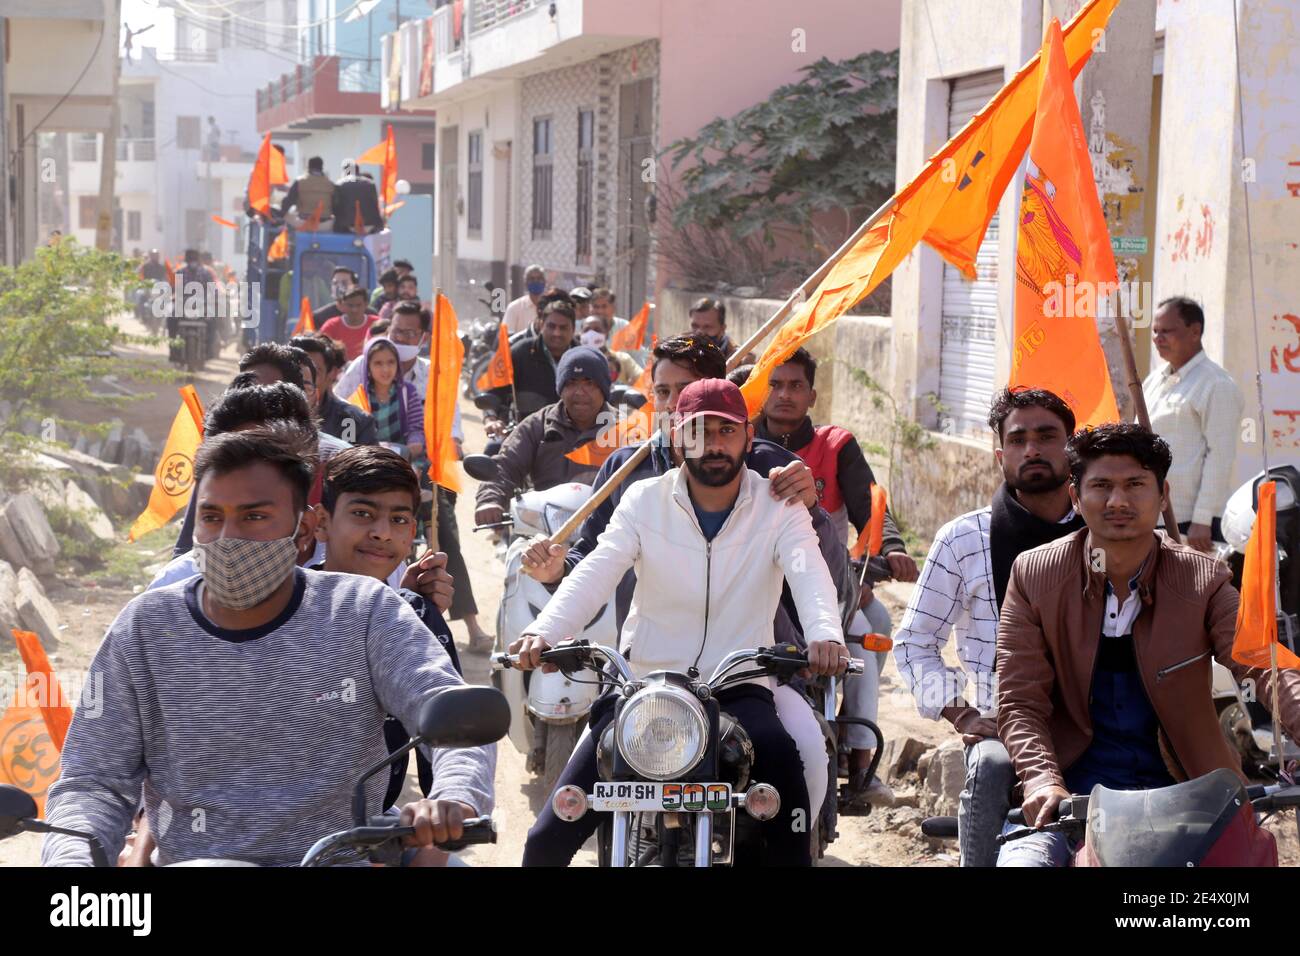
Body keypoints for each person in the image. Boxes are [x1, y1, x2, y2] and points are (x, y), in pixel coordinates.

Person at [43, 423, 493, 867]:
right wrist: (71, 859)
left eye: (254, 516)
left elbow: (453, 715)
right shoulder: (144, 628)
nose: (227, 538)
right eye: (212, 517)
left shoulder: (365, 612)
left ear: (302, 531)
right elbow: (91, 781)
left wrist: (453, 796)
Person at [512, 378, 849, 867]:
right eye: (699, 432)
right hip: (643, 688)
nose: (714, 444)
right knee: (547, 839)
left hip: (740, 686)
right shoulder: (644, 500)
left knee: (787, 792)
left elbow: (809, 574)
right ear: (676, 439)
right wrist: (541, 633)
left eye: (726, 431)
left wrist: (825, 636)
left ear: (747, 437)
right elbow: (596, 570)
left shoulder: (779, 507)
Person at [996, 422, 1300, 867]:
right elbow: (1020, 700)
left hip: (1191, 798)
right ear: (1077, 497)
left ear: (1162, 496)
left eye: (1135, 484)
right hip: (1072, 801)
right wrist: (1042, 780)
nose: (1118, 501)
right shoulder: (1034, 575)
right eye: (1101, 486)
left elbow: (1265, 665)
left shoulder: (1203, 579)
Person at [892, 386, 1085, 867]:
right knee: (992, 768)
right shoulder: (964, 539)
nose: (1033, 450)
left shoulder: (1104, 531)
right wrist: (961, 713)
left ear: (1072, 448)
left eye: (1047, 436)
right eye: (1018, 440)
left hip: (1100, 724)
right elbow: (915, 643)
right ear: (1000, 454)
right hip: (1006, 731)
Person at [755, 347, 919, 802]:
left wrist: (893, 547)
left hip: (824, 580)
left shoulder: (835, 445)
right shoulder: (739, 444)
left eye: (795, 386)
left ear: (811, 394)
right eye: (774, 385)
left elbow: (870, 506)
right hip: (756, 583)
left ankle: (859, 759)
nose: (784, 395)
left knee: (870, 633)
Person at [315, 445, 462, 824]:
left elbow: (446, 731)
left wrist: (448, 803)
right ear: (321, 523)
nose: (381, 533)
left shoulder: (417, 618)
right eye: (362, 514)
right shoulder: (282, 609)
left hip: (369, 835)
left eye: (398, 520)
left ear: (412, 532)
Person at [1142, 297, 1244, 552]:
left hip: (1193, 522)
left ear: (1195, 331)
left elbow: (1220, 455)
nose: (1158, 338)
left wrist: (1203, 519)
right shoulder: (1154, 381)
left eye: (1166, 331)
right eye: (1155, 331)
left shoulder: (1216, 384)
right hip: (1153, 512)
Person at [474, 346, 613, 527]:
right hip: (541, 534)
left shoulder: (626, 430)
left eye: (589, 383)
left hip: (608, 538)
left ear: (603, 388)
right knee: (517, 554)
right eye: (571, 383)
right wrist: (490, 499)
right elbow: (506, 465)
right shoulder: (538, 425)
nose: (580, 392)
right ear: (560, 389)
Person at [485, 299, 577, 433]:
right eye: (551, 326)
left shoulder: (584, 359)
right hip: (526, 438)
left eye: (563, 328)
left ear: (573, 329)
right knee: (491, 451)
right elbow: (494, 390)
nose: (557, 333)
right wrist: (491, 419)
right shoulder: (519, 353)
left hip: (574, 438)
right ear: (541, 325)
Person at [291, 333, 378, 445]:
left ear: (332, 373)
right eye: (295, 370)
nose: (302, 380)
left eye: (314, 372)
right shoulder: (268, 411)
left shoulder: (351, 421)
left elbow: (355, 459)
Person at [689, 296, 756, 364]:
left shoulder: (738, 359)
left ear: (722, 328)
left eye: (707, 327)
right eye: (695, 326)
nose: (699, 332)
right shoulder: (681, 350)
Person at [320, 286, 380, 361]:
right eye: (350, 305)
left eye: (358, 305)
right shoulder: (331, 326)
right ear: (343, 304)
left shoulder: (377, 324)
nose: (354, 310)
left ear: (366, 304)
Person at [580, 314, 642, 384]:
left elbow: (643, 380)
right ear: (581, 333)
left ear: (606, 333)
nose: (591, 334)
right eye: (586, 330)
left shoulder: (622, 359)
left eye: (597, 330)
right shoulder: (573, 360)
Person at [280, 155, 335, 230]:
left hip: (304, 222)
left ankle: (290, 239)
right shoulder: (331, 184)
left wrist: (281, 214)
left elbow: (289, 201)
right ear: (322, 167)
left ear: (308, 167)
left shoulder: (300, 181)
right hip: (325, 223)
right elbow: (336, 204)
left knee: (287, 216)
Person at [333, 159, 384, 233]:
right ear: (358, 170)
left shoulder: (339, 184)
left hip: (347, 227)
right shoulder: (370, 184)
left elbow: (335, 207)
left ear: (345, 171)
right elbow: (375, 204)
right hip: (370, 226)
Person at [502, 264, 548, 335]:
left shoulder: (550, 307)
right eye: (532, 279)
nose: (536, 281)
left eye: (539, 279)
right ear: (526, 283)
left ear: (545, 282)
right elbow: (505, 336)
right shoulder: (514, 307)